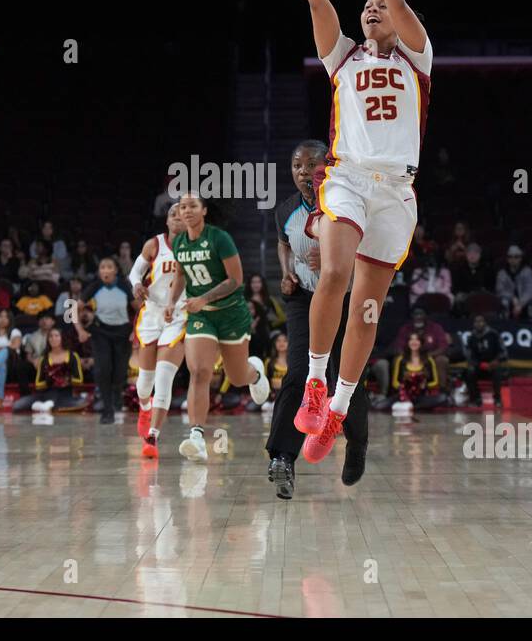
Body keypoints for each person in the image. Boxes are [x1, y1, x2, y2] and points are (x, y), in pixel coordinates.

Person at [251, 0, 431, 469]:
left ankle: (338, 410)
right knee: (333, 272)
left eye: (383, 7)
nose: (375, 10)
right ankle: (313, 383)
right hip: (348, 176)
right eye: (368, 7)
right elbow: (318, 1)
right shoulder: (343, 58)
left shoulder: (419, 60)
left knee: (368, 308)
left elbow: (398, 2)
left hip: (397, 191)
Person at [268, 139, 370, 497]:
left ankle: (355, 445)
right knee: (297, 375)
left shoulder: (350, 206)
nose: (304, 173)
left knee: (346, 379)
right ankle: (283, 457)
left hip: (347, 299)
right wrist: (286, 272)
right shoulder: (285, 211)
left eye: (311, 165)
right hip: (303, 300)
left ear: (328, 166)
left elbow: (372, 256)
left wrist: (333, 265)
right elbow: (284, 242)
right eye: (297, 166)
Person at [165, 193, 270, 463]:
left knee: (236, 378)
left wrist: (204, 298)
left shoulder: (219, 238)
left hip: (231, 314)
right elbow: (179, 276)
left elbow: (236, 279)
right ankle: (197, 437)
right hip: (202, 317)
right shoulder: (178, 243)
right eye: (182, 207)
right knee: (199, 372)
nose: (186, 211)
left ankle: (255, 374)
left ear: (204, 211)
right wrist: (170, 301)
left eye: (192, 206)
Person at [127, 205, 189, 457]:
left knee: (164, 377)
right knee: (144, 383)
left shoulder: (196, 246)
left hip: (178, 315)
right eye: (173, 214)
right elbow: (134, 272)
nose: (177, 217)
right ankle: (144, 405)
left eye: (182, 214)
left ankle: (152, 437)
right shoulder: (154, 245)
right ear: (167, 220)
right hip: (152, 313)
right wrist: (137, 285)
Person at [72, 257, 137, 425]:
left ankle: (117, 390)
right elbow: (74, 308)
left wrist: (136, 331)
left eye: (109, 267)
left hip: (122, 333)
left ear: (115, 270)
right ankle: (107, 410)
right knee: (102, 370)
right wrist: (80, 330)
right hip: (100, 332)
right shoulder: (94, 287)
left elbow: (140, 309)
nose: (105, 271)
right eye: (102, 267)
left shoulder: (124, 286)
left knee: (119, 373)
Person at [13, 328, 87, 413]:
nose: (53, 339)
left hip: (65, 394)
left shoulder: (73, 356)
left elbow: (79, 380)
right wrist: (51, 380)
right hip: (47, 393)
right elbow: (38, 384)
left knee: (81, 401)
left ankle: (48, 405)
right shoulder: (44, 359)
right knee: (17, 405)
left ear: (62, 338)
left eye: (56, 336)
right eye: (50, 336)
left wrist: (66, 380)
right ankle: (49, 405)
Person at [462, 314, 507, 407]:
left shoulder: (494, 334)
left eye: (480, 321)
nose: (478, 324)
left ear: (485, 323)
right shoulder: (471, 337)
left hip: (492, 364)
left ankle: (497, 399)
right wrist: (478, 364)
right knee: (469, 371)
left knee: (498, 370)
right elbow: (468, 355)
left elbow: (504, 352)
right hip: (479, 366)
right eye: (476, 322)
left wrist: (496, 360)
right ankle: (476, 399)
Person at [391, 332, 441, 414]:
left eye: (417, 339)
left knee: (442, 398)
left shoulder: (428, 360)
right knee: (380, 405)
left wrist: (422, 385)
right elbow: (395, 382)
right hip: (404, 395)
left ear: (421, 343)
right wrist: (405, 387)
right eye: (411, 339)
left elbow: (435, 381)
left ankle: (411, 406)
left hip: (422, 395)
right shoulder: (401, 360)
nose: (414, 342)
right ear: (408, 343)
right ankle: (408, 405)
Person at [495, 245, 532, 319]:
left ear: (521, 258)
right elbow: (500, 290)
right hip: (509, 302)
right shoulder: (502, 273)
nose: (513, 259)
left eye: (516, 257)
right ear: (507, 259)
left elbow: (531, 290)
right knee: (503, 301)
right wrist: (512, 298)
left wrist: (520, 304)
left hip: (524, 302)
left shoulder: (527, 271)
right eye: (510, 257)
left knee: (531, 302)